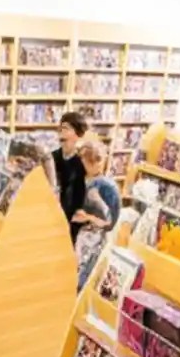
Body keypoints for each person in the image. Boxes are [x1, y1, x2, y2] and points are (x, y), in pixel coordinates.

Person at [73, 139, 121, 289]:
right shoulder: (88, 180)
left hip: (94, 239)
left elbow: (109, 223)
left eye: (85, 163)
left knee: (84, 277)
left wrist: (87, 217)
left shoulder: (106, 187)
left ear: (95, 163)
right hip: (81, 235)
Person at [53, 112, 88, 244]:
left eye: (66, 128)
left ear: (77, 133)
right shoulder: (52, 158)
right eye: (60, 128)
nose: (62, 132)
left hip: (72, 223)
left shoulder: (82, 162)